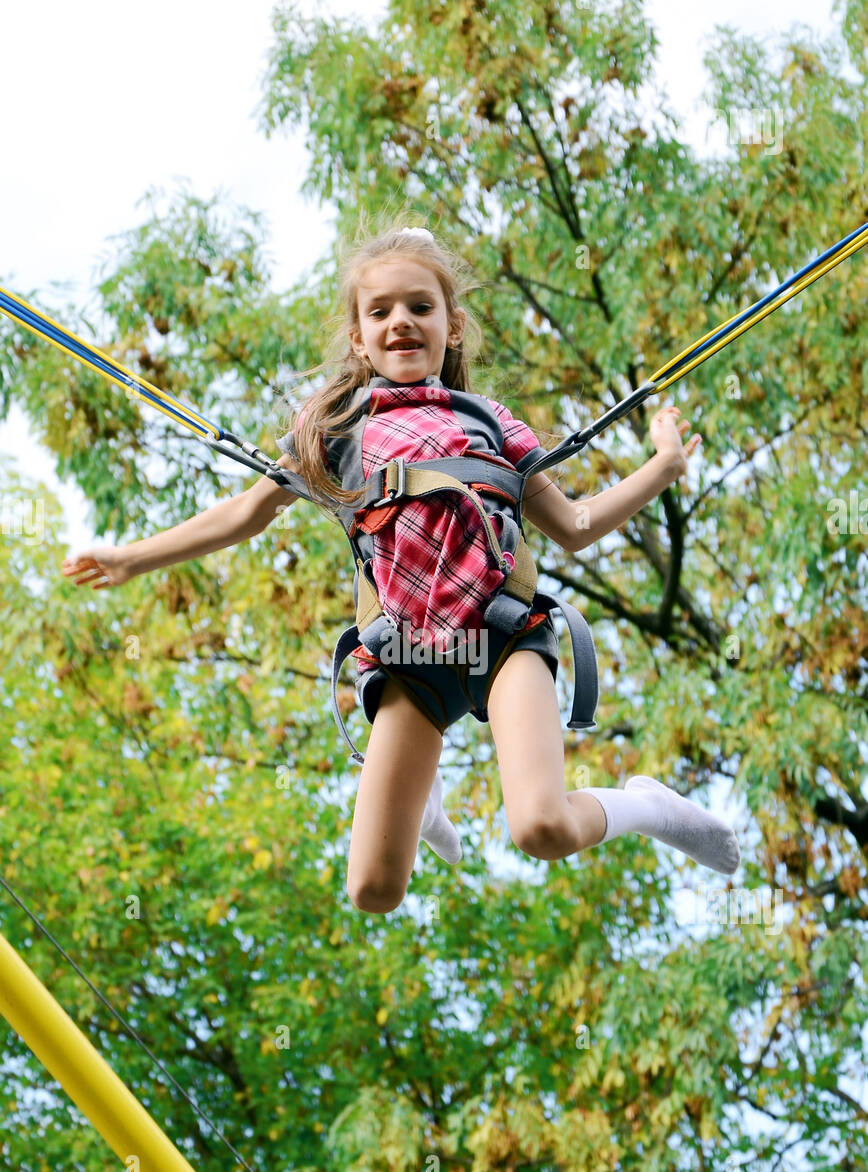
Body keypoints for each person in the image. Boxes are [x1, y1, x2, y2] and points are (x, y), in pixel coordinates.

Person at [62, 223, 740, 915]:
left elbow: (577, 526)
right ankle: (427, 799)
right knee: (373, 889)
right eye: (379, 311)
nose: (401, 323)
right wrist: (129, 557)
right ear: (357, 336)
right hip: (411, 657)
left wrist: (664, 467)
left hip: (501, 633)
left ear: (453, 326)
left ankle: (649, 808)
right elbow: (245, 514)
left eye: (420, 306)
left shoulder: (491, 421)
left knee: (541, 827)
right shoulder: (333, 427)